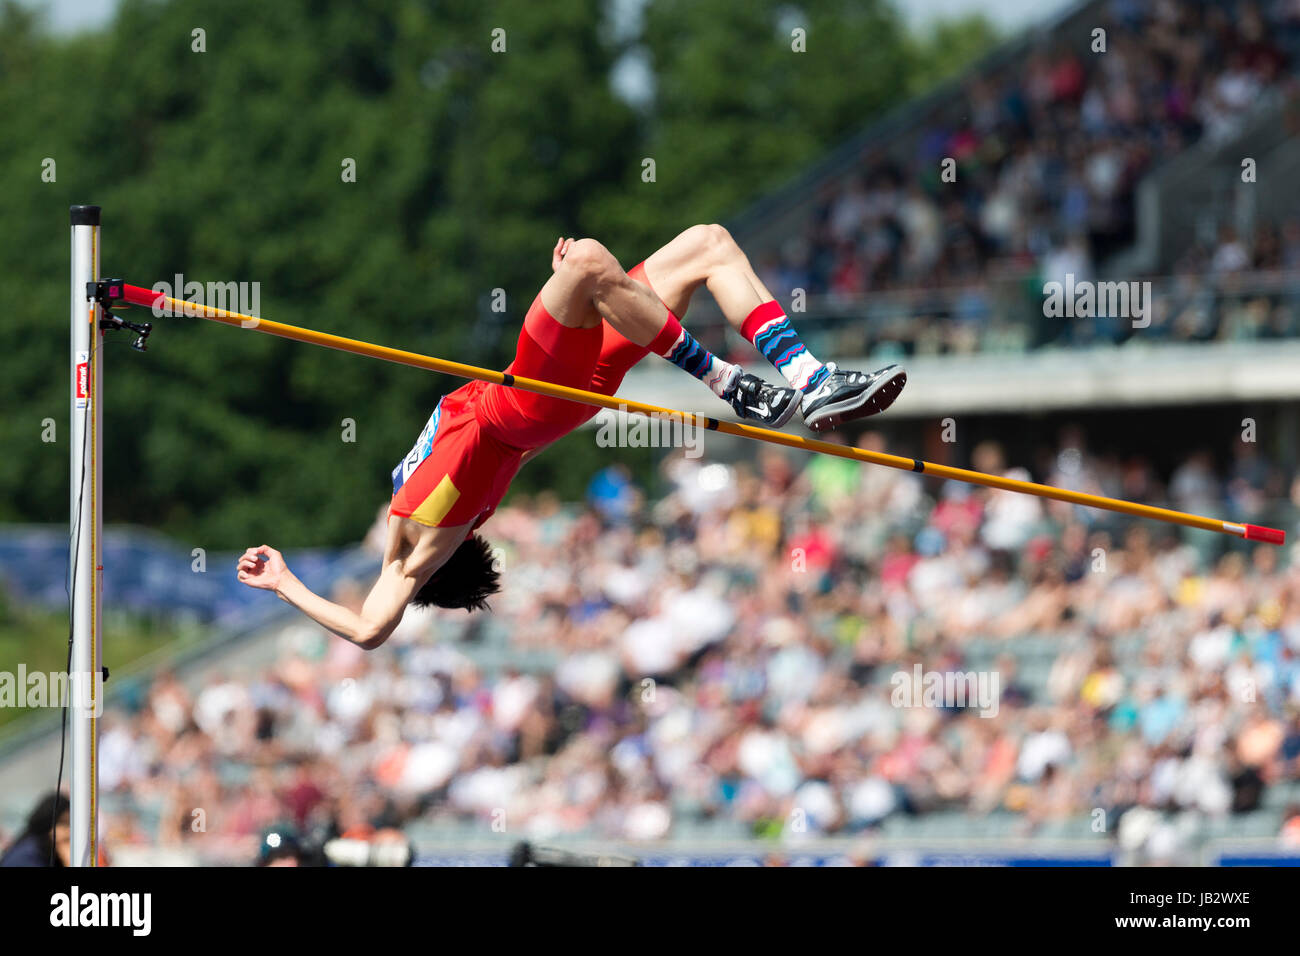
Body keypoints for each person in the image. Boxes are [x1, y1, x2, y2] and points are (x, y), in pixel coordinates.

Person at [237, 225, 905, 646]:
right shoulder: (424, 541)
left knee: (707, 243)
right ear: (454, 551)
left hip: (556, 389)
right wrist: (286, 583)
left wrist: (580, 290)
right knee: (586, 260)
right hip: (525, 406)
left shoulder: (401, 509)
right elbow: (368, 629)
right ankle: (727, 380)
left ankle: (808, 375)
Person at [0, 791, 70, 867]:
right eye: (64, 823)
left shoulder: (39, 850)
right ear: (49, 824)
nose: (68, 831)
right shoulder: (28, 855)